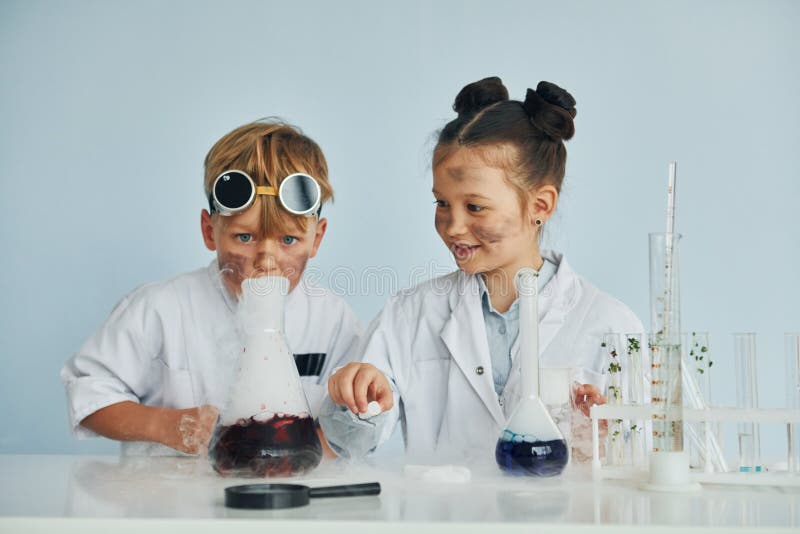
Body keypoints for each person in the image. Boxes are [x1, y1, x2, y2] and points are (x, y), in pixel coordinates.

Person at [320, 77, 643, 461]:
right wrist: (355, 397)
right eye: (442, 203)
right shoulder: (410, 314)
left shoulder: (611, 327)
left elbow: (640, 467)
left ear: (540, 205)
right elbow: (350, 442)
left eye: (475, 207)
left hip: (563, 521)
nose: (453, 226)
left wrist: (602, 444)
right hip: (447, 521)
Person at [61, 119, 362, 456]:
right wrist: (164, 425)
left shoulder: (332, 319)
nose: (267, 260)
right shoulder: (161, 308)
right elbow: (88, 392)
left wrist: (304, 455)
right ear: (209, 231)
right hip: (174, 500)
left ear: (316, 238)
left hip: (291, 501)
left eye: (288, 239)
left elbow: (353, 425)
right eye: (244, 237)